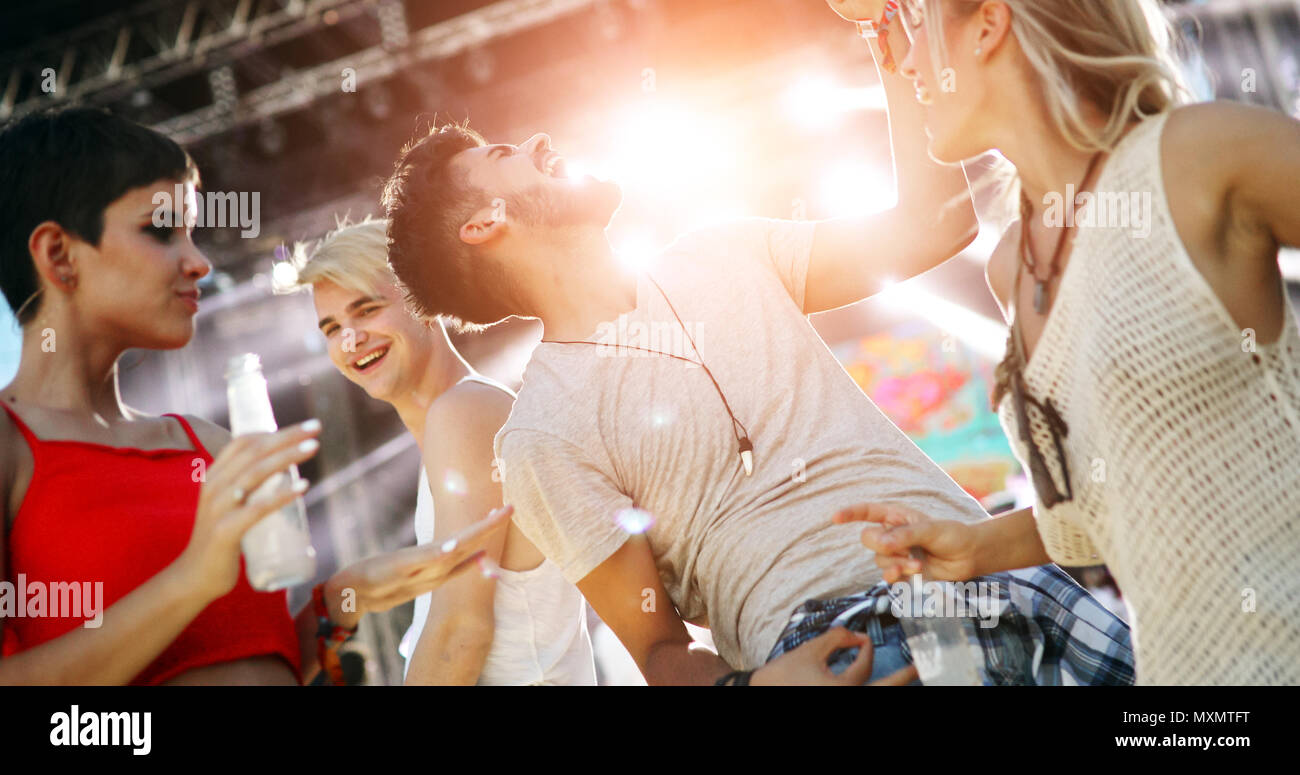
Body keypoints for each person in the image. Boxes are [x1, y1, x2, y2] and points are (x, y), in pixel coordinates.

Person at [379, 4, 1134, 685]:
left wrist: (881, 28)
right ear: (482, 225)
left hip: (1007, 575)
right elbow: (657, 652)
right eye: (506, 152)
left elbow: (934, 224)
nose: (540, 139)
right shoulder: (542, 434)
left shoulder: (723, 248)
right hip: (843, 642)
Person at [829, 0, 1300, 684]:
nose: (903, 65)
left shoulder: (1194, 158)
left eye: (911, 29)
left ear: (988, 23)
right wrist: (975, 546)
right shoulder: (1014, 267)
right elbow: (1113, 503)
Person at [0, 107, 506, 685]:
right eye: (161, 232)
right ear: (59, 256)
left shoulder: (210, 445)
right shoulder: (11, 445)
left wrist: (336, 602)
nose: (199, 262)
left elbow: (248, 659)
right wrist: (191, 579)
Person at [281, 217, 596, 685]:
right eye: (331, 328)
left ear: (422, 302)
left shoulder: (465, 411)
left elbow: (460, 631)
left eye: (366, 310)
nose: (350, 339)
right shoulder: (454, 423)